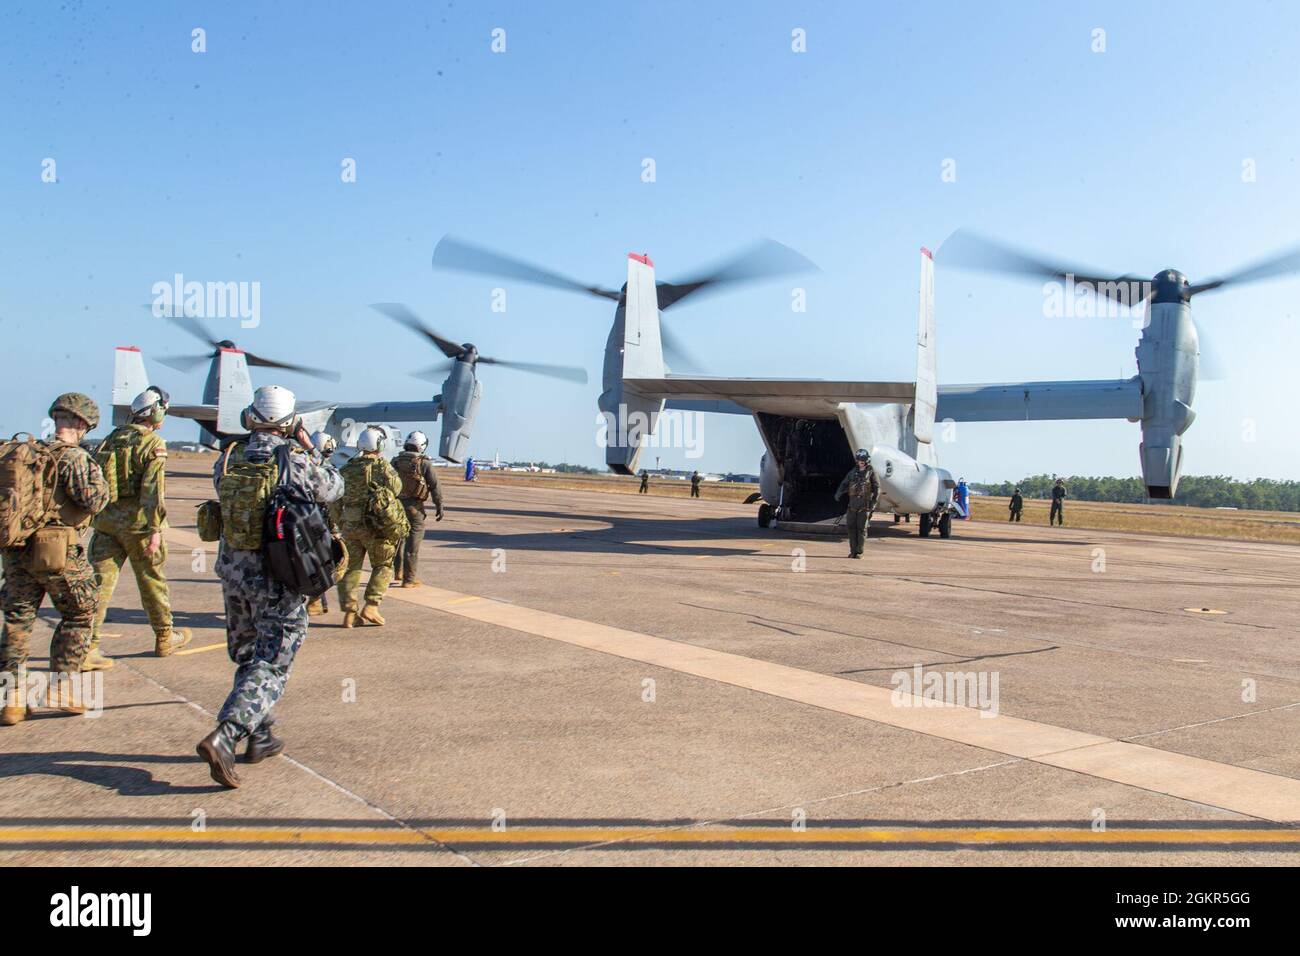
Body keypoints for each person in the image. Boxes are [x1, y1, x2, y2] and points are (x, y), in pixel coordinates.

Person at [196, 385, 342, 787]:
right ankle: (227, 735)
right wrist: (310, 448)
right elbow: (334, 487)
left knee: (248, 654)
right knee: (272, 662)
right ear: (290, 422)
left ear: (250, 416)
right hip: (280, 576)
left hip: (233, 574)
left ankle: (260, 735)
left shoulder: (227, 458)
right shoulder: (295, 460)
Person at [1, 394, 110, 725]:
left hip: (17, 549)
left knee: (18, 619)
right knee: (81, 613)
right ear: (81, 424)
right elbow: (94, 501)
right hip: (57, 550)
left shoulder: (28, 454)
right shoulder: (74, 457)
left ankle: (11, 699)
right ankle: (63, 687)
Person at [87, 386, 191, 667]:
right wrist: (155, 530)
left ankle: (89, 645)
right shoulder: (153, 442)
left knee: (98, 586)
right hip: (139, 527)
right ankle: (164, 637)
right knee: (152, 582)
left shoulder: (111, 439)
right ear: (156, 412)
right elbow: (153, 491)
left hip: (106, 524)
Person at [337, 427, 407, 627]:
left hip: (350, 526)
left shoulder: (346, 469)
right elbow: (397, 488)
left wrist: (341, 521)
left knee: (350, 568)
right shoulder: (383, 467)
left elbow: (335, 499)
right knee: (383, 565)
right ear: (380, 445)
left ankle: (350, 613)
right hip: (376, 526)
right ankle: (372, 605)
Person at [391, 430, 443, 588]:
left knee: (397, 540)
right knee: (412, 544)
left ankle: (398, 572)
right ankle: (409, 579)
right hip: (414, 508)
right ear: (421, 446)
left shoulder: (395, 461)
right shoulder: (424, 463)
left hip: (396, 506)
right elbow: (435, 486)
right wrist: (439, 505)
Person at [305, 431, 339, 617]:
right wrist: (335, 528)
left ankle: (314, 601)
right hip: (318, 524)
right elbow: (331, 501)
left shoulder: (299, 463)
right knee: (320, 564)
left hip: (297, 522)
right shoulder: (327, 471)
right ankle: (315, 601)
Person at [834, 448, 879, 559]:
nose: (861, 462)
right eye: (859, 460)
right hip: (852, 505)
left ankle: (859, 550)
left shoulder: (871, 473)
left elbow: (877, 488)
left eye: (863, 460)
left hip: (864, 506)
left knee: (861, 529)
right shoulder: (852, 472)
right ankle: (853, 551)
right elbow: (845, 483)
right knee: (851, 528)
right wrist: (838, 493)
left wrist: (873, 504)